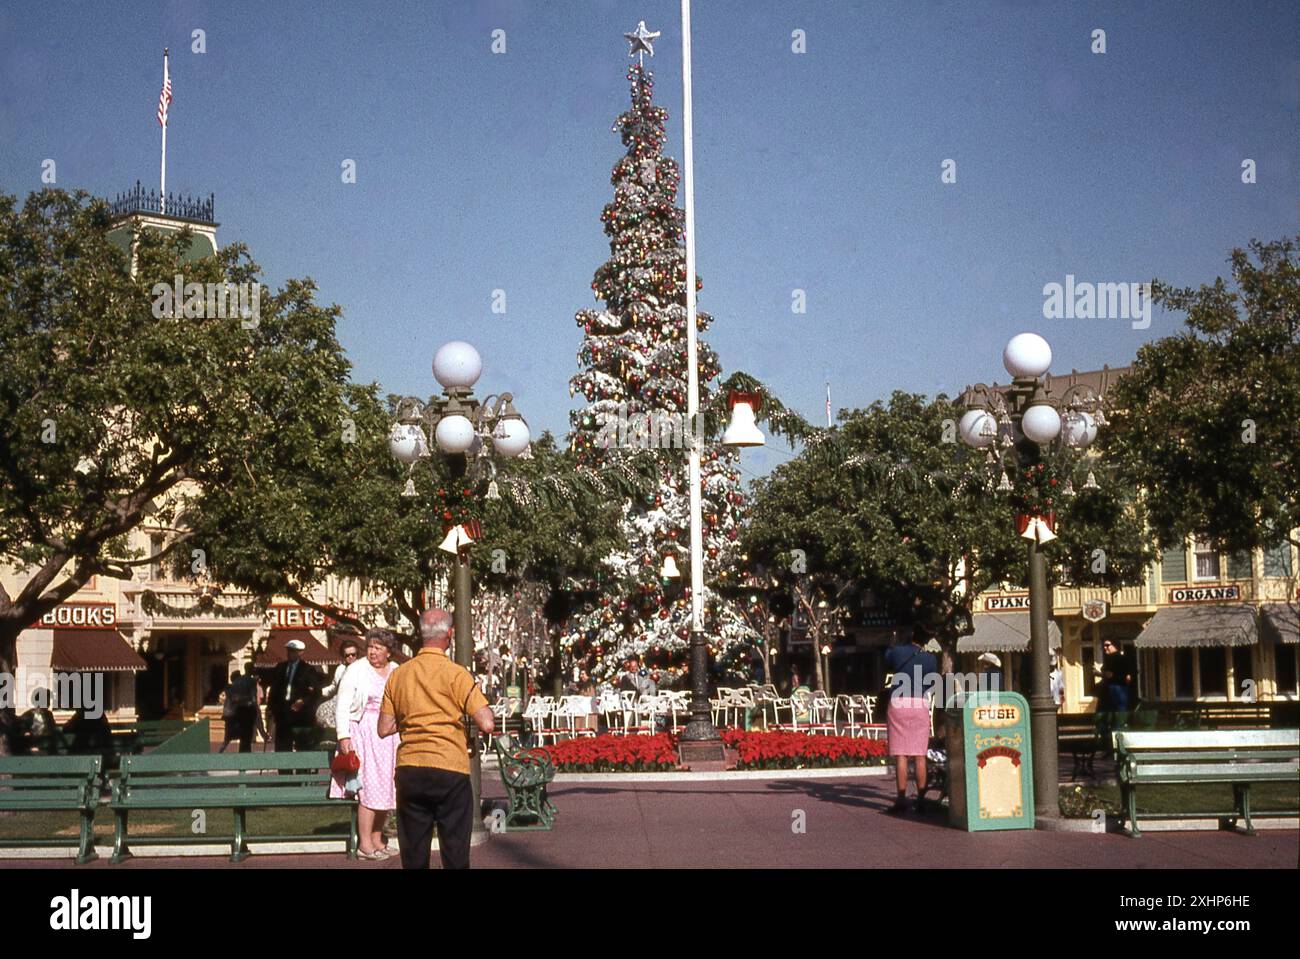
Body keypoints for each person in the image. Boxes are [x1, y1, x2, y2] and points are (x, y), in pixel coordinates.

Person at [379, 608, 493, 870]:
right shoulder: (457, 674)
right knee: (454, 851)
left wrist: (414, 716)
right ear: (449, 635)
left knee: (414, 852)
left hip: (411, 768)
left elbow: (384, 728)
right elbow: (486, 723)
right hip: (449, 768)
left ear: (421, 633)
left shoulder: (399, 675)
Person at [331, 629, 400, 859]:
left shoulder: (397, 671)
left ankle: (378, 839)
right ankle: (365, 844)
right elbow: (342, 705)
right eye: (370, 646)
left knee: (386, 789)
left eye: (378, 648)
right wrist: (343, 736)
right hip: (364, 734)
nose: (372, 652)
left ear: (389, 652)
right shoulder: (356, 670)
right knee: (369, 789)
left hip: (389, 736)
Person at [883, 625, 940, 814]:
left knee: (901, 754)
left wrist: (892, 643)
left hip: (898, 701)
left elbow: (887, 660)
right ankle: (922, 799)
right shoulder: (930, 658)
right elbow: (932, 681)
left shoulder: (898, 652)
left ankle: (901, 798)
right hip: (919, 703)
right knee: (919, 754)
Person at [265, 639, 323, 751]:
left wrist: (303, 702)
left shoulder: (308, 669)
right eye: (289, 651)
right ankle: (284, 769)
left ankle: (302, 768)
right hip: (283, 713)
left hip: (301, 715)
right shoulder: (281, 667)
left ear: (300, 653)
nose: (290, 654)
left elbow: (316, 692)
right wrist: (272, 708)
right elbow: (274, 689)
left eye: (293, 651)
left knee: (302, 747)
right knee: (282, 748)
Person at [317, 635, 363, 736]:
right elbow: (334, 686)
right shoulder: (340, 669)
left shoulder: (362, 668)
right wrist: (318, 692)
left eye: (353, 654)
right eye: (347, 655)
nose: (350, 657)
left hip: (356, 703)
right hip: (340, 702)